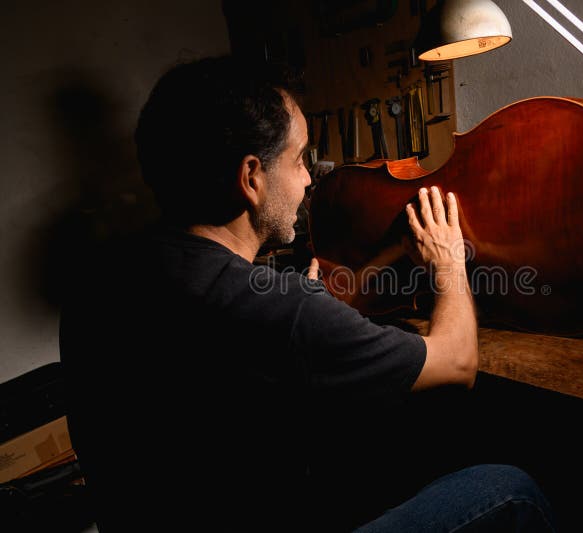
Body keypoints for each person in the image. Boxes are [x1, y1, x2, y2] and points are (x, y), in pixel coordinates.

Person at [59, 55, 556, 532]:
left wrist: (307, 317)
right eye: (299, 159)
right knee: (510, 489)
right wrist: (448, 264)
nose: (305, 181)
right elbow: (458, 364)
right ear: (251, 177)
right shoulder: (277, 310)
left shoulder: (99, 277)